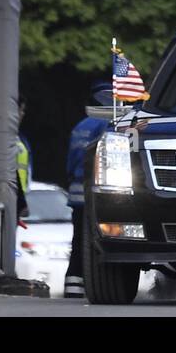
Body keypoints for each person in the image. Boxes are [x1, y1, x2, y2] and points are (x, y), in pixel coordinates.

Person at [64, 84, 112, 299]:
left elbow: (71, 161)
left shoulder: (80, 126)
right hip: (93, 193)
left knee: (77, 241)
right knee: (95, 242)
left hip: (75, 191)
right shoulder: (106, 125)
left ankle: (73, 286)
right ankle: (92, 283)